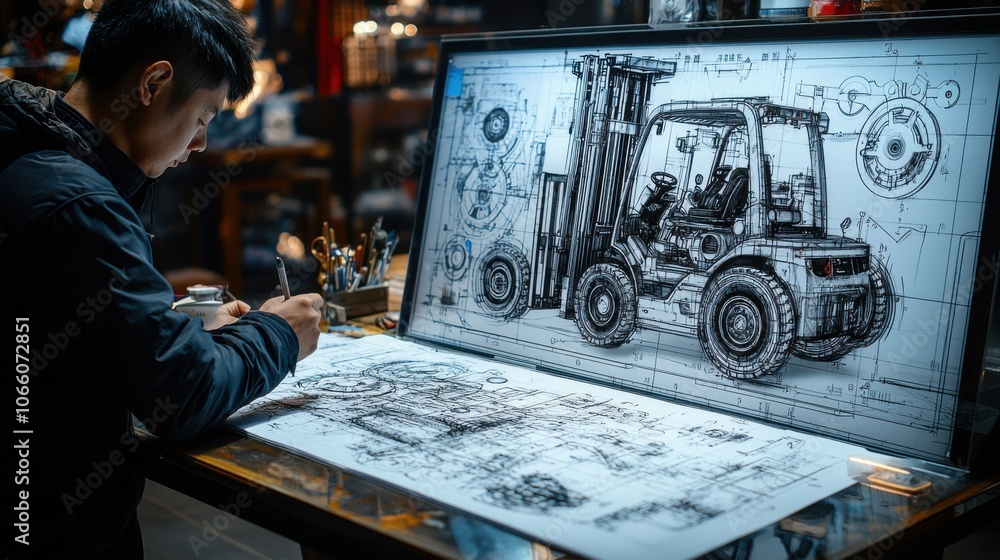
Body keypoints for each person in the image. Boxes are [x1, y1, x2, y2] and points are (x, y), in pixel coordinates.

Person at [0, 1, 323, 557]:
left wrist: (166, 328)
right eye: (202, 118)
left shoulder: (25, 145)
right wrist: (277, 334)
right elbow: (182, 396)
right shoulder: (79, 203)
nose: (199, 145)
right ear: (152, 83)